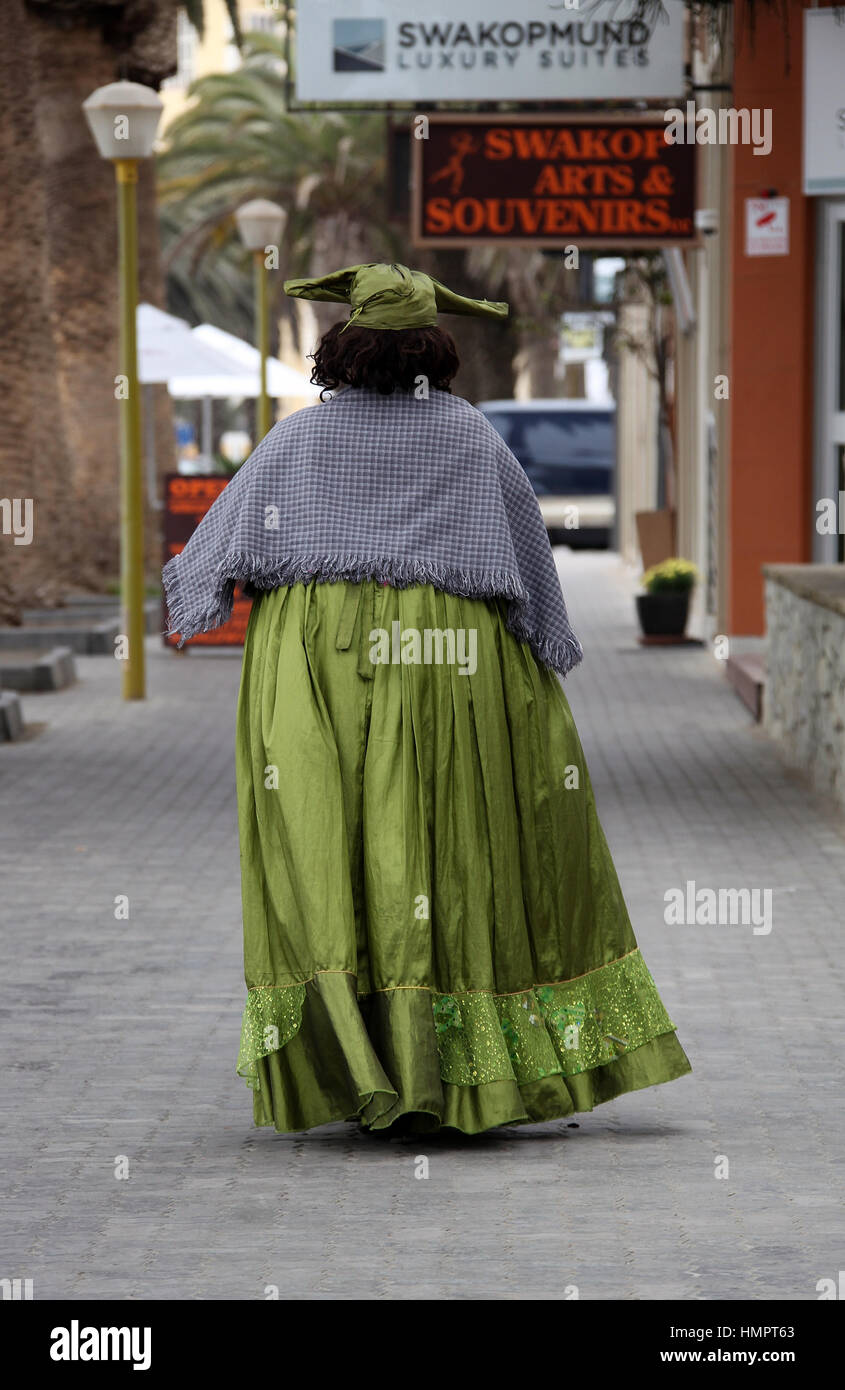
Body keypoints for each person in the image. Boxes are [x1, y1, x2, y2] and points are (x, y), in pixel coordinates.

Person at [163, 262, 691, 1136]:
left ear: (341, 350)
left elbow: (212, 557)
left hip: (313, 668)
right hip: (452, 669)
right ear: (434, 352)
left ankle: (356, 1062)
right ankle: (454, 1070)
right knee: (447, 848)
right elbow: (530, 575)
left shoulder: (295, 443)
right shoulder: (469, 438)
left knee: (327, 850)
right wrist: (546, 664)